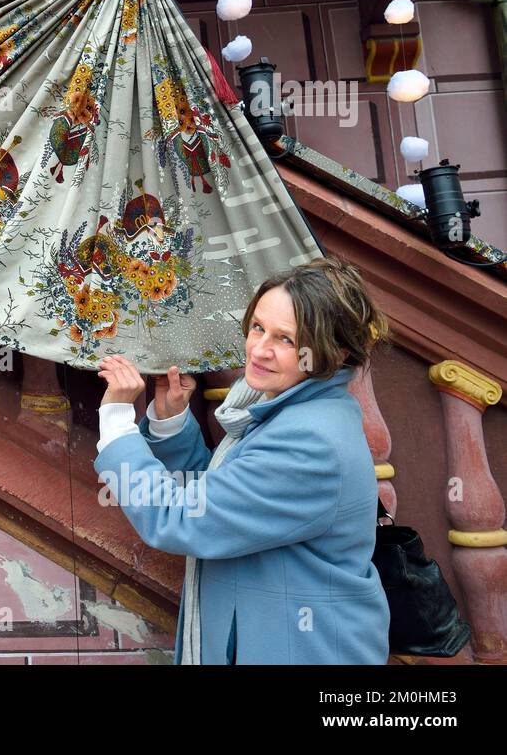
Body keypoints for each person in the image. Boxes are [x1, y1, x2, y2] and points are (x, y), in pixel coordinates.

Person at [93, 255, 391, 664]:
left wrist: (115, 421)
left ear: (335, 353)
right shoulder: (292, 408)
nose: (260, 350)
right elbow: (229, 499)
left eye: (286, 340)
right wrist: (170, 422)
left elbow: (178, 517)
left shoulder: (308, 441)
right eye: (257, 327)